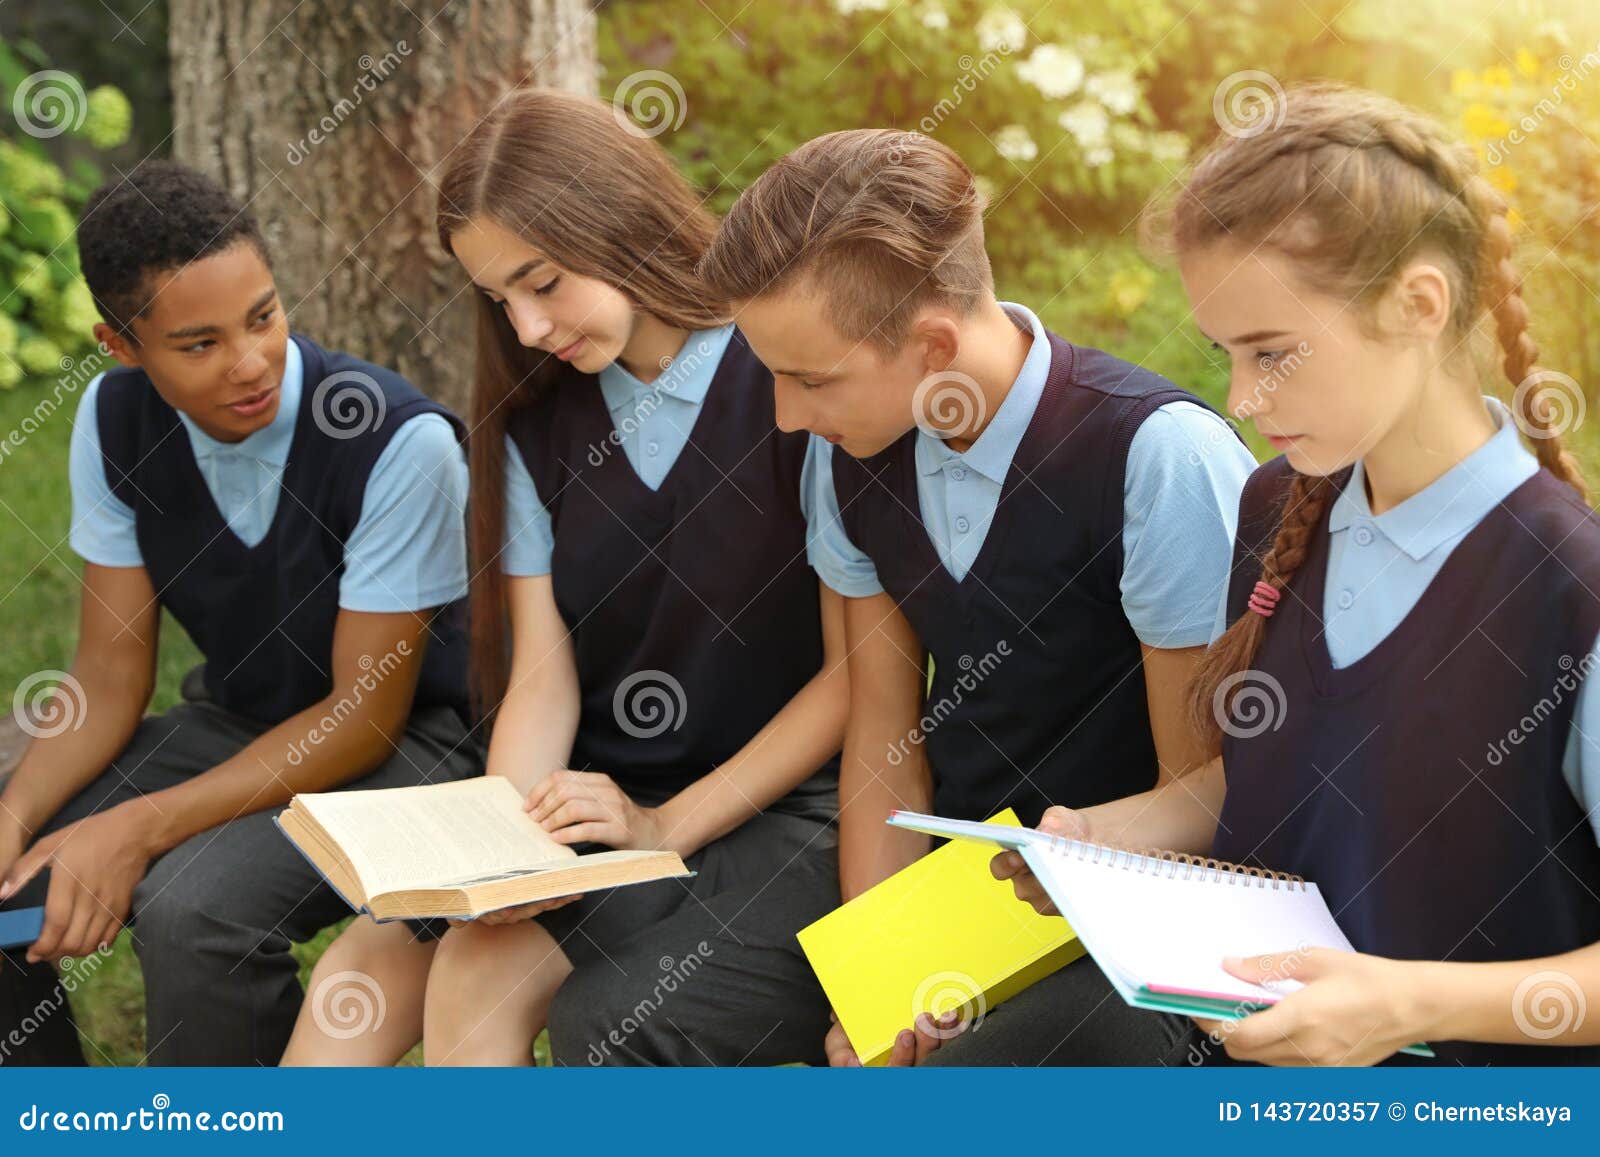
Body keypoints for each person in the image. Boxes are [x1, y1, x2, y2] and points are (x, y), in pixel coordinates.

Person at [1000, 83, 1600, 1066]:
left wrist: (1402, 1002)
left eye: (1272, 352)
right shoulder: (1281, 502)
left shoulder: (1564, 586)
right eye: (1226, 354)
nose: (1239, 399)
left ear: (1418, 303)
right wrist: (1106, 836)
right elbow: (1287, 769)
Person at [283, 89, 847, 1068]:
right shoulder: (535, 421)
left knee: (545, 999)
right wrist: (502, 849)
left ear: (617, 218)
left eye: (541, 281)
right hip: (601, 796)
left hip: (784, 805)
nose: (528, 323)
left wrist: (667, 820)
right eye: (499, 298)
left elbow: (857, 676)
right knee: (365, 977)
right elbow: (542, 674)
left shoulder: (789, 372)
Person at [695, 127, 1256, 1065]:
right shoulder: (850, 458)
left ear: (934, 345)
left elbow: (1200, 803)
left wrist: (948, 984)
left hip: (1137, 914)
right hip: (959, 884)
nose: (787, 416)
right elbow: (885, 740)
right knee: (639, 1015)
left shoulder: (1157, 457)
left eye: (811, 379)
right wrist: (878, 983)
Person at [0, 161, 478, 1066]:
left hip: (418, 744)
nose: (252, 361)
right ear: (122, 345)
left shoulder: (396, 442)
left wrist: (132, 827)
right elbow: (106, 678)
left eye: (263, 316)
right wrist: (18, 814)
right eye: (200, 343)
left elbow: (361, 717)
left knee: (194, 909)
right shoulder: (112, 420)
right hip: (240, 720)